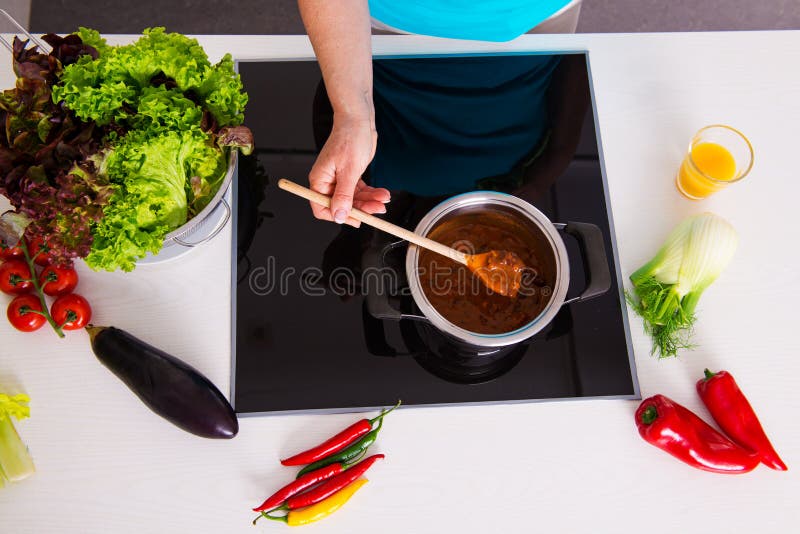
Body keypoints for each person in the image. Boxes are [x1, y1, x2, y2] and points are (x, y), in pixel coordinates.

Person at [297, 0, 581, 226]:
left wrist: (553, 163)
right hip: (390, 22)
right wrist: (352, 115)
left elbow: (569, 80)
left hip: (536, 17)